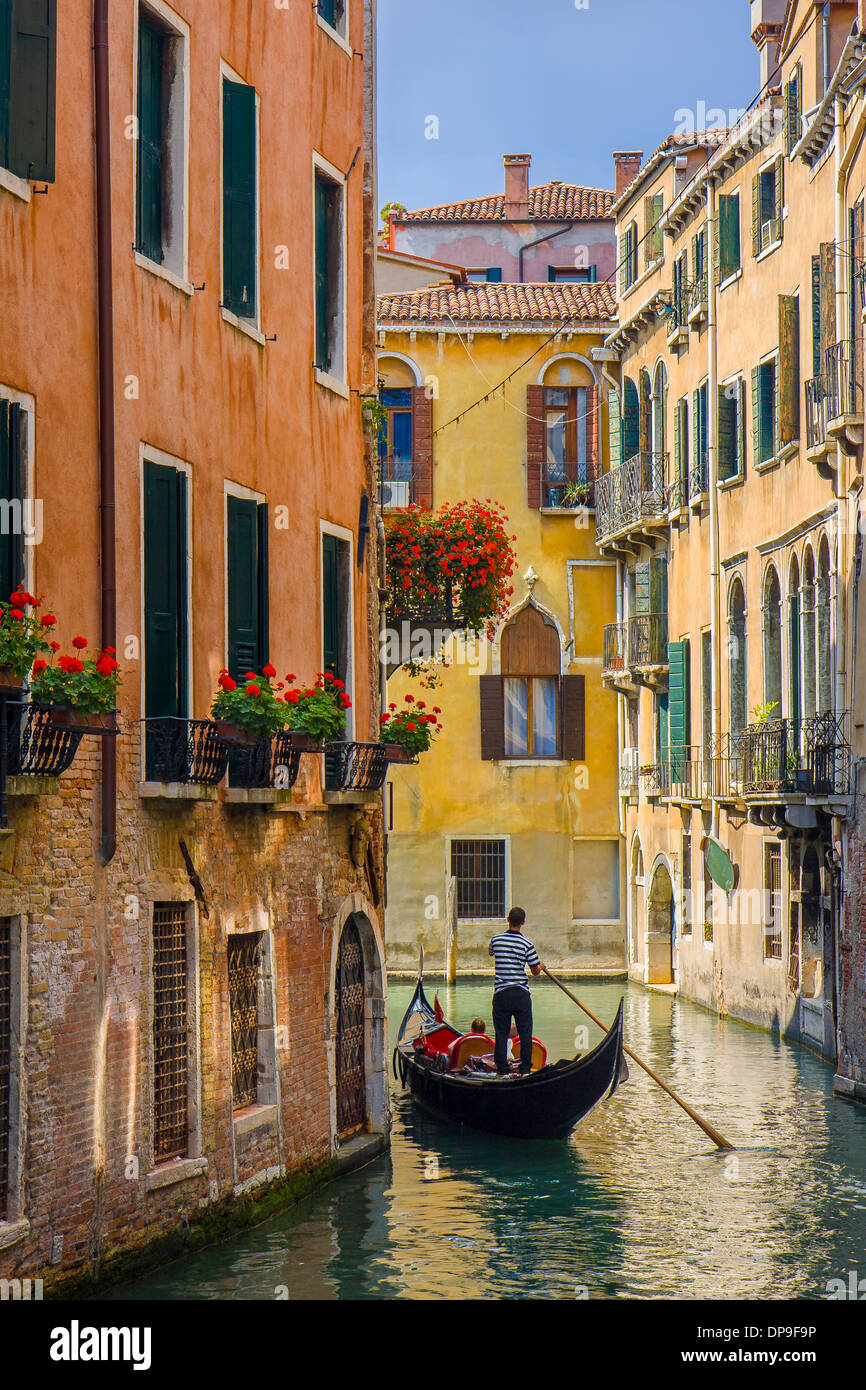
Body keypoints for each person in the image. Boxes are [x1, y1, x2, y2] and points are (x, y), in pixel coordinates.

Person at [488, 907, 545, 1075]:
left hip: (502, 994)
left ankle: (503, 1069)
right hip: (521, 994)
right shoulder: (527, 944)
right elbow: (535, 971)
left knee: (501, 1032)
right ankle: (525, 1068)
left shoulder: (496, 940)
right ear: (523, 923)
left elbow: (491, 952)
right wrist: (541, 966)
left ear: (508, 920)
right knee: (525, 1032)